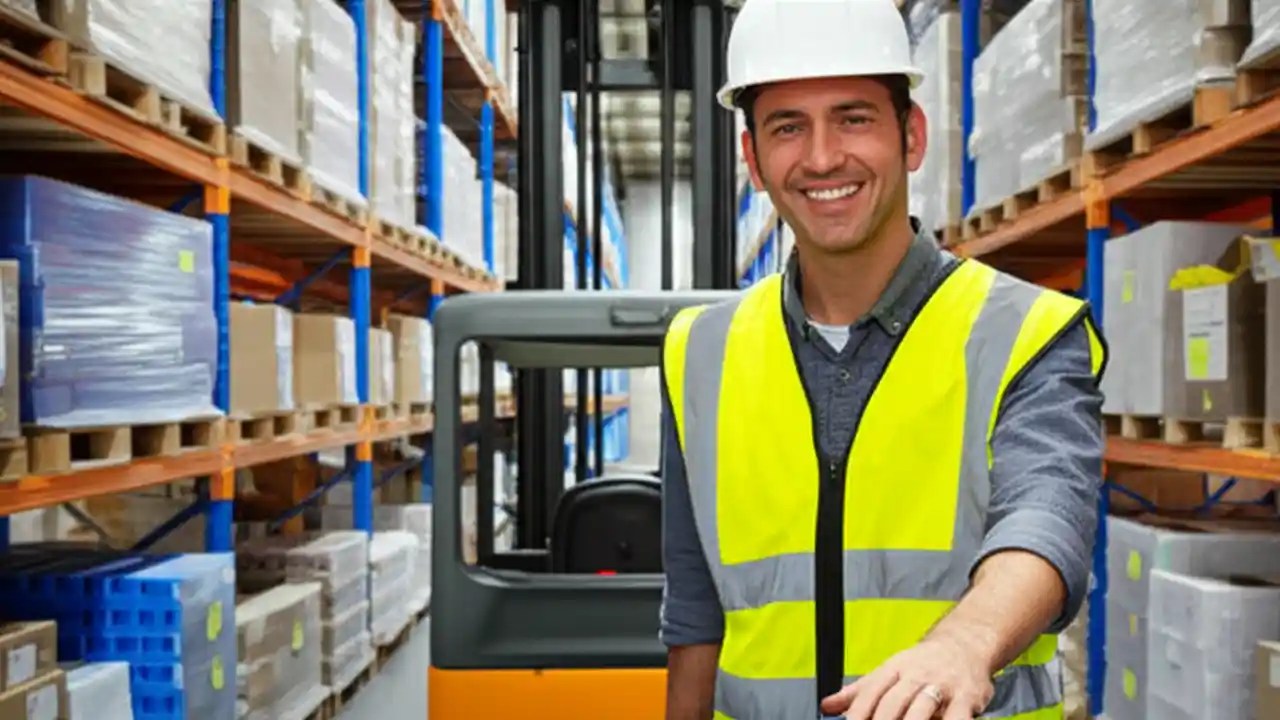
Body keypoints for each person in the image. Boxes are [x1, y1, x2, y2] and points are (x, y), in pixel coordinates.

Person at [657, 0, 1109, 719]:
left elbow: (1047, 521)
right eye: (787, 127)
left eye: (854, 117)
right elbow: (694, 611)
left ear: (912, 135)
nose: (822, 157)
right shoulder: (699, 352)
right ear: (751, 159)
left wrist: (965, 643)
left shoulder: (1025, 330)